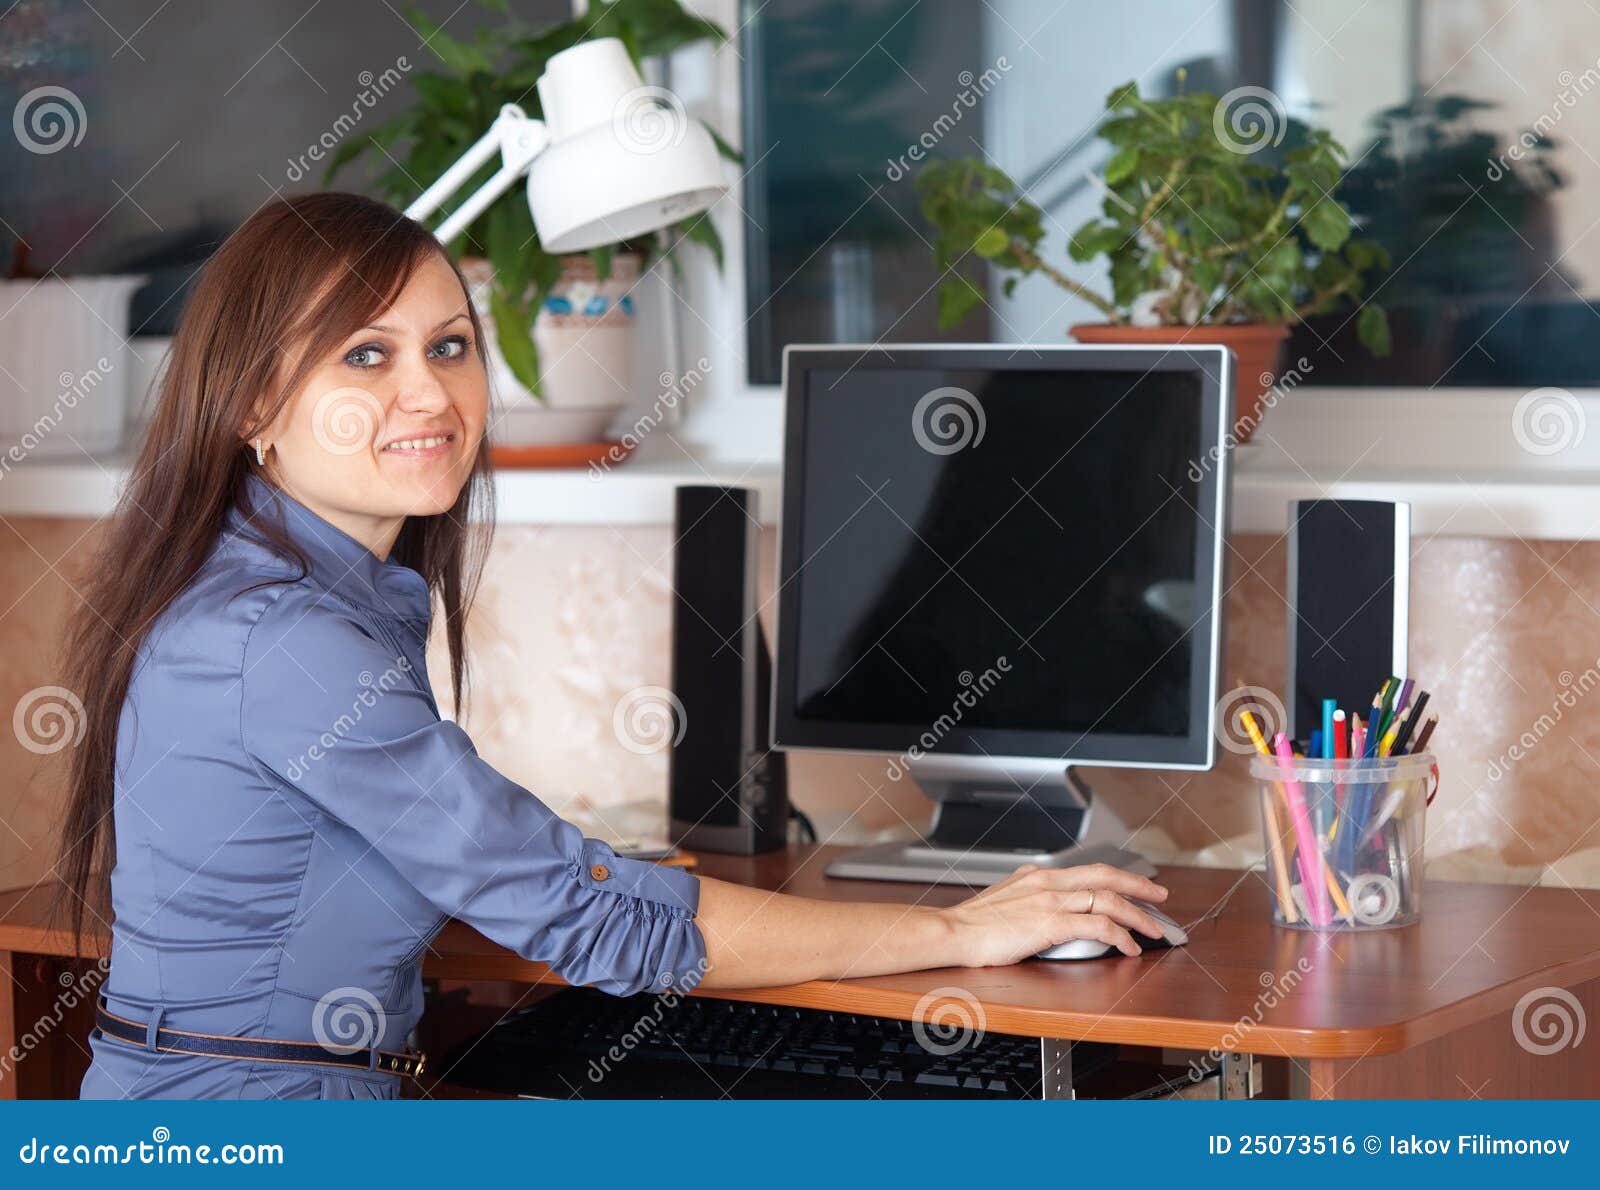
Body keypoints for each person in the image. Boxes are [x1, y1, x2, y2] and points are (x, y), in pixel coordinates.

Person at [63, 193, 1168, 1099]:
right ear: (254, 399)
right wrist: (958, 932)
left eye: (449, 346)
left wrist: (572, 861)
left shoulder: (280, 592)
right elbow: (582, 915)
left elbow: (477, 861)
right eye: (365, 354)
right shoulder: (288, 639)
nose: (430, 392)